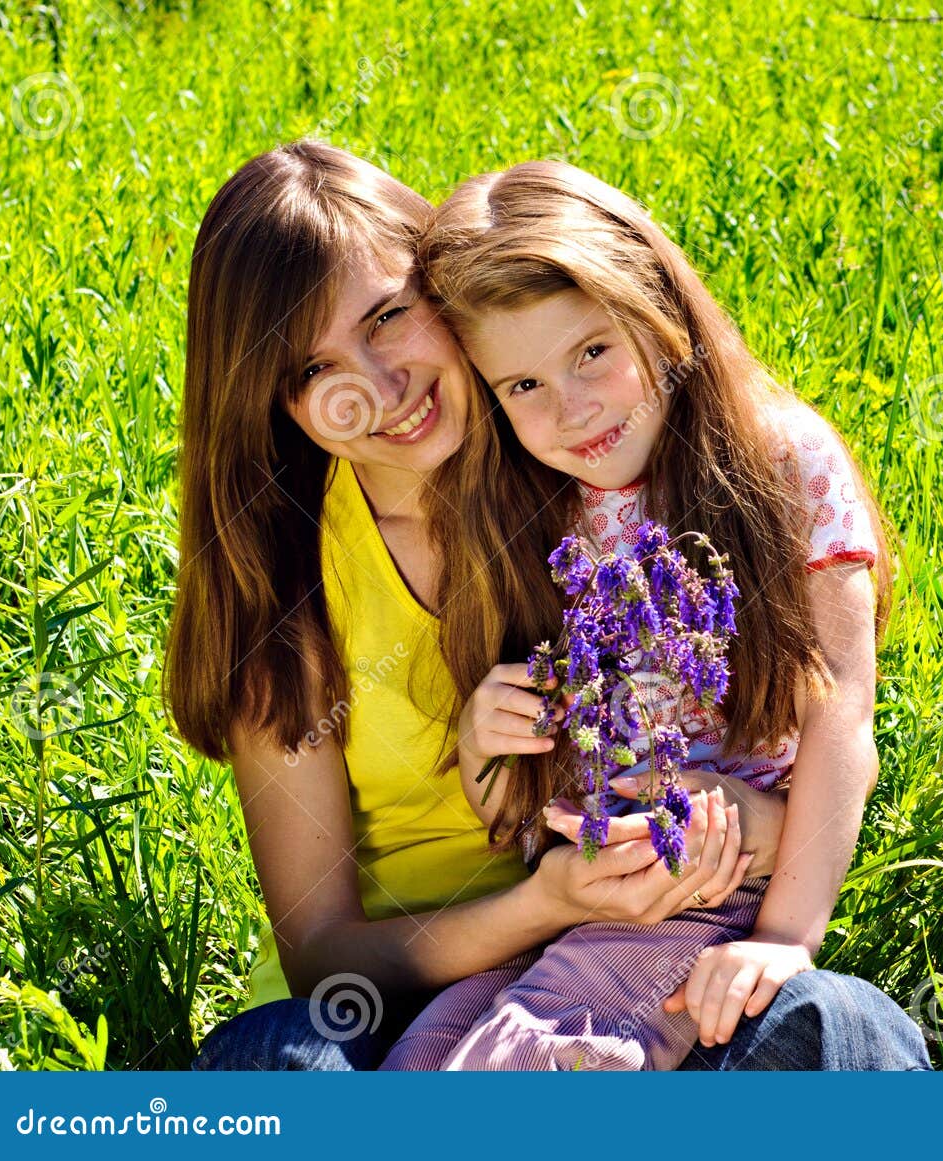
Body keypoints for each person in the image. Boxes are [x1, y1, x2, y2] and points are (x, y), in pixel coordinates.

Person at [166, 140, 928, 1071]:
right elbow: (324, 951)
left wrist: (753, 846)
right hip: (405, 999)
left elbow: (813, 711)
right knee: (276, 1058)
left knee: (839, 1034)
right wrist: (548, 897)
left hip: (671, 939)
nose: (378, 384)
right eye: (315, 369)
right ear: (274, 402)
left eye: (391, 316)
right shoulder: (287, 582)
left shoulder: (575, 472)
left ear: (450, 297)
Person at [378, 161, 896, 1071]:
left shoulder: (785, 462)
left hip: (723, 885)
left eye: (591, 353)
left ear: (658, 310)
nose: (572, 411)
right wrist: (482, 744)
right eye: (523, 387)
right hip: (583, 889)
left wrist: (784, 939)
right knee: (435, 1056)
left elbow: (842, 712)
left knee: (546, 1059)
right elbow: (513, 817)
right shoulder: (528, 506)